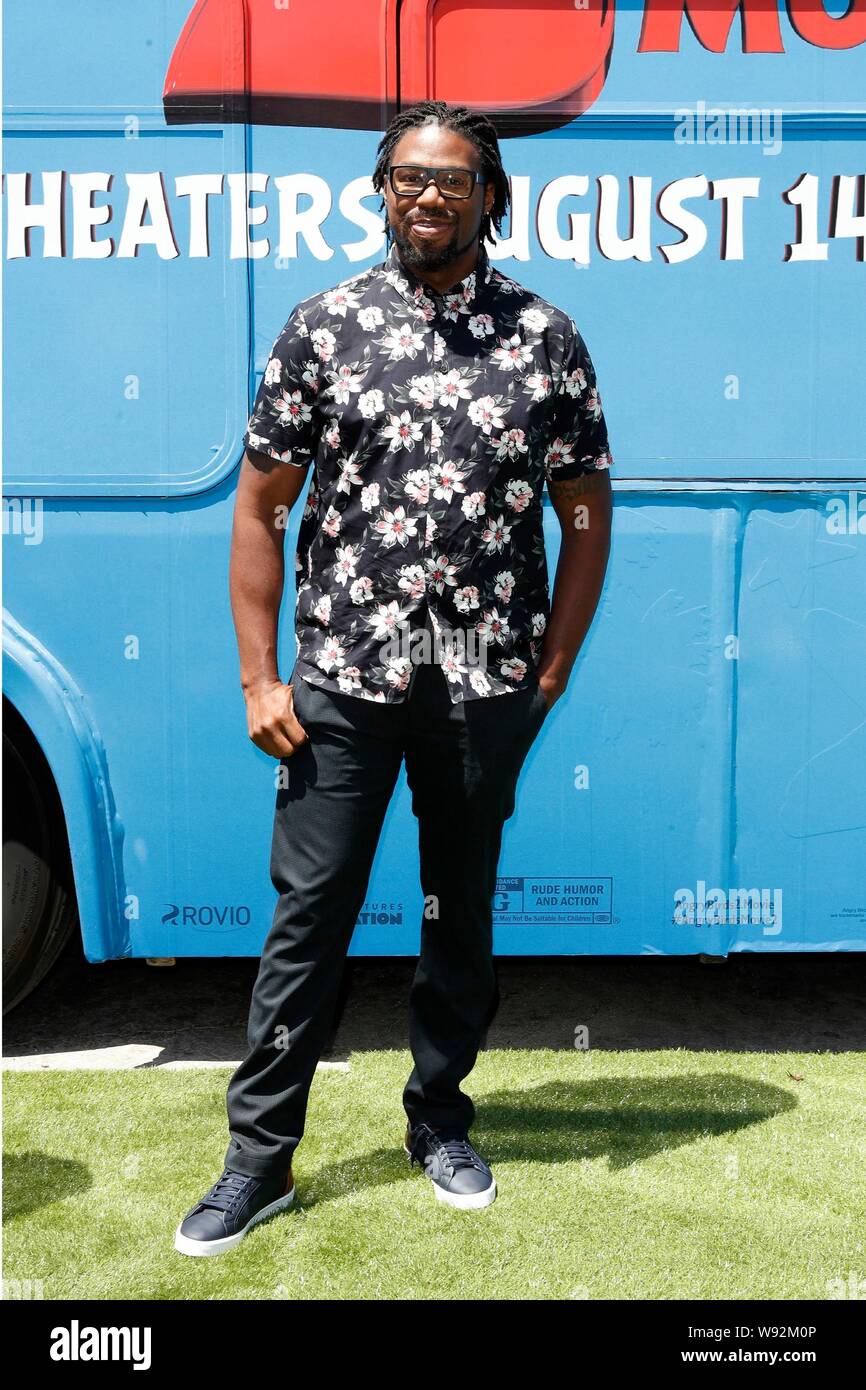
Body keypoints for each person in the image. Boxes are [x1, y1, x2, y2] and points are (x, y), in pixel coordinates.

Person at [174, 99, 613, 1257]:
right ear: (380, 193)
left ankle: (439, 1121)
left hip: (479, 685)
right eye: (408, 178)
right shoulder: (322, 327)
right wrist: (259, 679)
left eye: (453, 181)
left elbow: (585, 516)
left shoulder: (545, 338)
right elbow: (262, 507)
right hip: (342, 684)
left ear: (490, 199)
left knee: (455, 916)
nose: (428, 196)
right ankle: (256, 1163)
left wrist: (549, 669)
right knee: (306, 920)